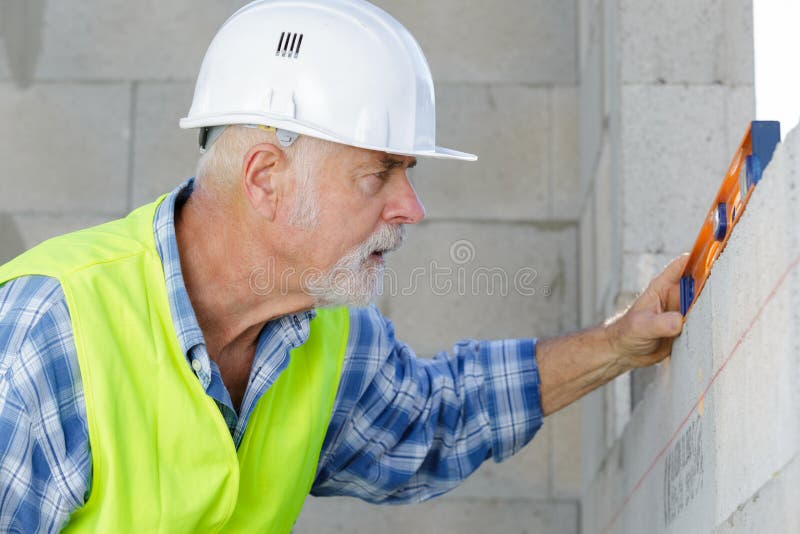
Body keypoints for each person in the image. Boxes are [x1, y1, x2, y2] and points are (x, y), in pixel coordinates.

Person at [0, 0, 688, 532]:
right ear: (266, 178)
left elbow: (436, 418)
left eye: (407, 173)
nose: (411, 208)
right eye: (378, 173)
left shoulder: (323, 336)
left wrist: (617, 344)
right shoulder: (51, 332)